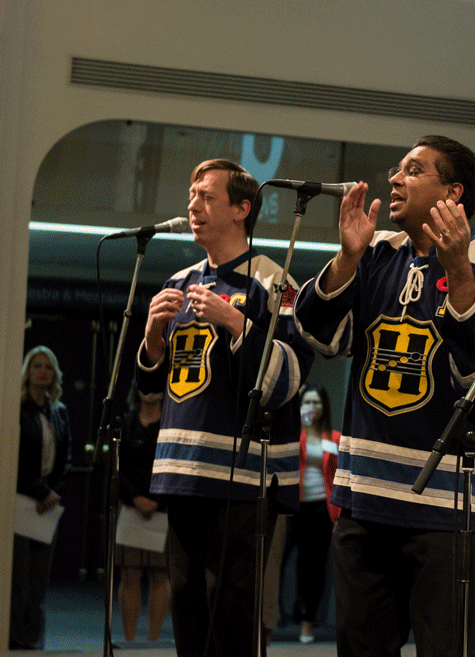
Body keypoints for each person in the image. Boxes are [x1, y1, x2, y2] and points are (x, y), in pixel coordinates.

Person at [294, 134, 475, 657]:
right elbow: (316, 335)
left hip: (449, 513)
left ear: (453, 192)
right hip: (364, 503)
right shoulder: (375, 254)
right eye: (397, 169)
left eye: (413, 170)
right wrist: (346, 260)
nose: (394, 179)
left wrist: (460, 273)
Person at [137, 157, 313, 657]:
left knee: (231, 611)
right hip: (181, 468)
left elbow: (292, 379)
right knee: (188, 603)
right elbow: (151, 390)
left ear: (242, 209)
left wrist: (236, 326)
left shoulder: (273, 281)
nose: (193, 206)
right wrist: (151, 339)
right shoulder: (178, 279)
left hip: (243, 476)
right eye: (191, 196)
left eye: (207, 197)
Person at [11, 346, 71, 650]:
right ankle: (14, 636)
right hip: (21, 499)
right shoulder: (17, 408)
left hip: (48, 503)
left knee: (39, 579)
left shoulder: (58, 411)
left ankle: (33, 638)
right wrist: (40, 491)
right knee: (18, 577)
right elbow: (15, 460)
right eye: (37, 366)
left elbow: (65, 457)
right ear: (27, 371)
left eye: (48, 366)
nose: (43, 371)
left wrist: (53, 491)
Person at [282, 384, 340, 643]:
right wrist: (299, 422)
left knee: (313, 568)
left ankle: (307, 624)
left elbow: (338, 477)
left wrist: (337, 516)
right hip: (292, 507)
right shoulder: (294, 433)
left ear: (324, 406)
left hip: (320, 508)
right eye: (307, 401)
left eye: (317, 402)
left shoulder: (334, 437)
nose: (312, 407)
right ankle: (274, 616)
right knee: (278, 562)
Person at [116, 384, 170, 643]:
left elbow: (174, 465)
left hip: (163, 509)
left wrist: (156, 500)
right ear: (136, 388)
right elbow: (117, 468)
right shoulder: (125, 424)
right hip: (131, 508)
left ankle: (153, 641)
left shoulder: (172, 425)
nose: (150, 391)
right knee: (130, 574)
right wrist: (135, 498)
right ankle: (128, 640)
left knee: (161, 575)